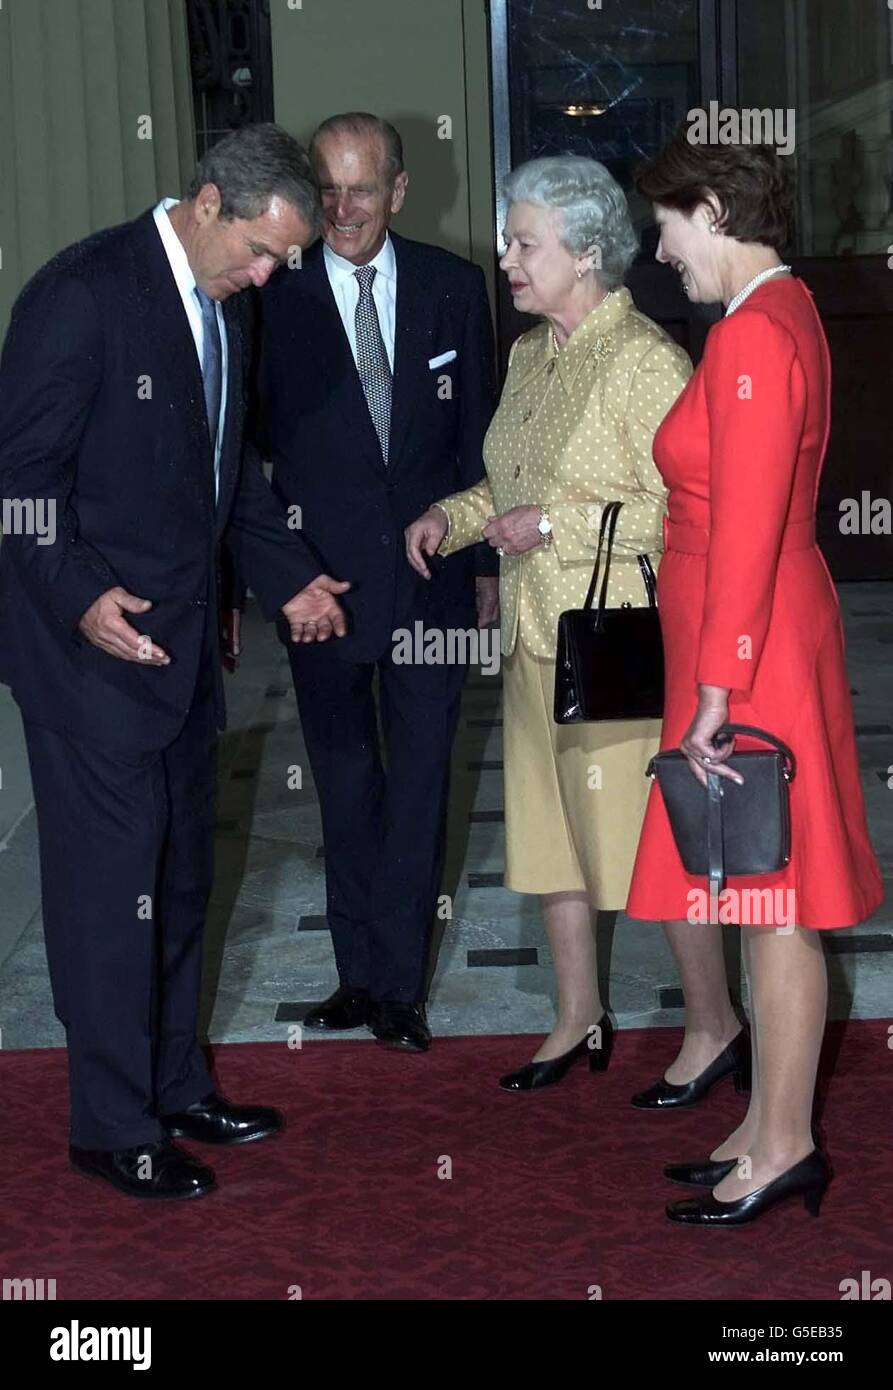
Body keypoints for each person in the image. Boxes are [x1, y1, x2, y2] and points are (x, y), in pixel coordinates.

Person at [0, 123, 349, 1201]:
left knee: (180, 881)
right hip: (87, 656)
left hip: (188, 650)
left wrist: (288, 573)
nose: (266, 276)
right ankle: (111, 1124)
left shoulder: (221, 306)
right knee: (111, 894)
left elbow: (223, 469)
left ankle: (175, 1081)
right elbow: (19, 478)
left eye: (283, 261)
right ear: (208, 203)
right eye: (260, 250)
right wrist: (79, 595)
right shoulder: (84, 294)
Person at [626, 123, 884, 1224]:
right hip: (745, 636)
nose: (658, 249)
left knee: (776, 900)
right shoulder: (766, 317)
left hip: (753, 647)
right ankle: (762, 1122)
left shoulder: (749, 336)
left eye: (665, 225)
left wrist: (720, 690)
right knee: (756, 892)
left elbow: (742, 529)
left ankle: (782, 1144)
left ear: (713, 214)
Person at [406, 156, 691, 1088]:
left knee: (651, 851)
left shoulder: (647, 360)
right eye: (508, 241)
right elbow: (511, 484)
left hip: (613, 648)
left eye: (524, 243)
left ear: (586, 252)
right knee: (553, 844)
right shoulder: (530, 353)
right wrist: (451, 519)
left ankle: (717, 1027)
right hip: (533, 639)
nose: (506, 260)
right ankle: (578, 1019)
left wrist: (557, 525)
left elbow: (687, 507)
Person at [252, 113, 498, 1052]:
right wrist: (278, 577)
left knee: (422, 780)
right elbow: (249, 450)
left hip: (432, 585)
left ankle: (401, 986)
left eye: (362, 188)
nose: (341, 208)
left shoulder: (452, 287)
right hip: (321, 588)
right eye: (325, 187)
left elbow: (478, 435)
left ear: (398, 190)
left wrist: (481, 567)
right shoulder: (271, 291)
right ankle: (354, 977)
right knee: (344, 780)